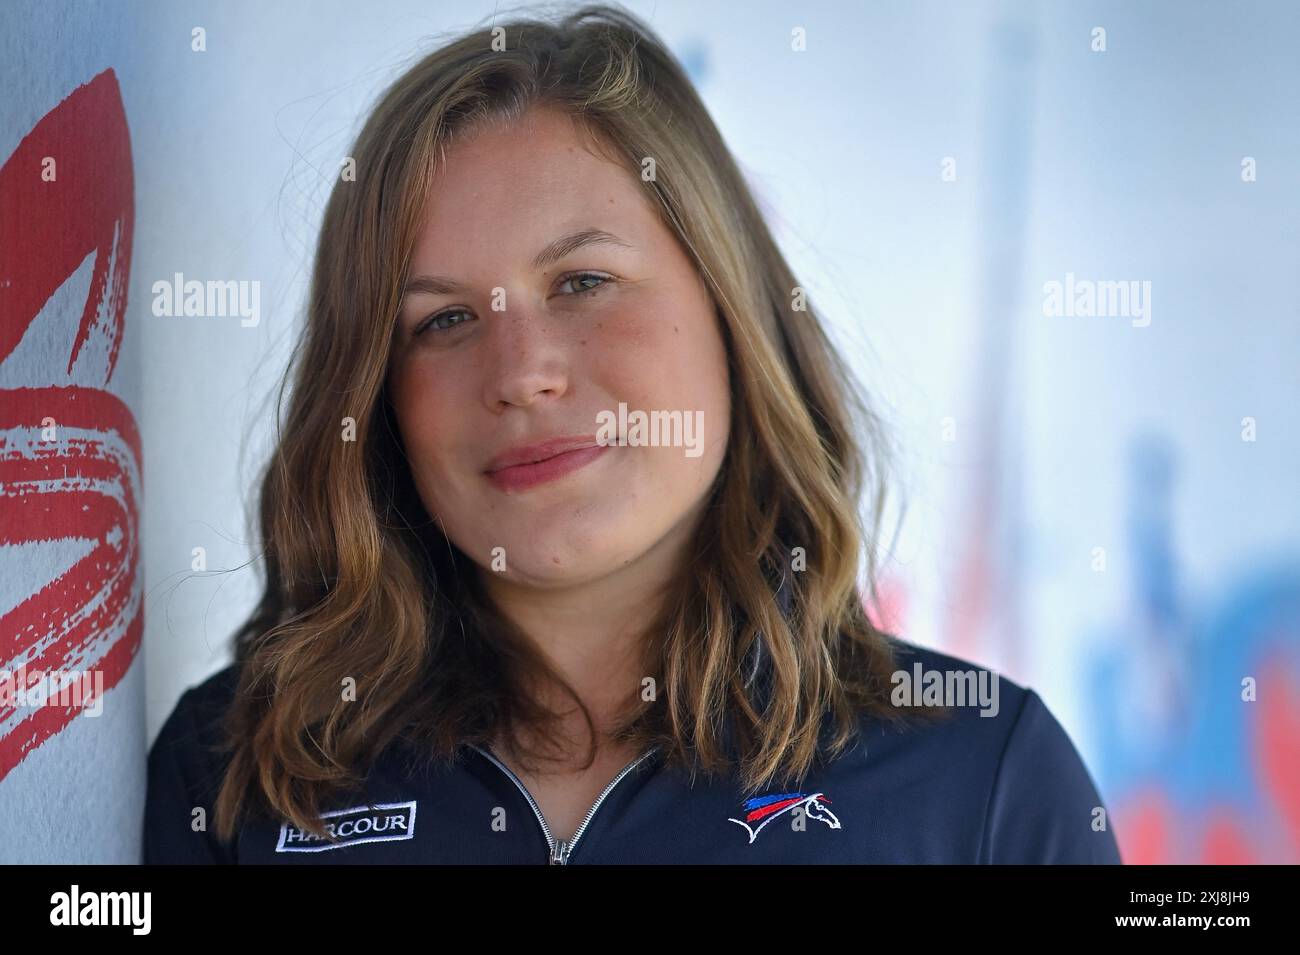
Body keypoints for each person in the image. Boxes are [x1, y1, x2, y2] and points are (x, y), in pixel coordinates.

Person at [143, 3, 1121, 865]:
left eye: (582, 282)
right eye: (441, 320)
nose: (522, 371)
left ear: (731, 311)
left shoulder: (980, 776)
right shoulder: (234, 774)